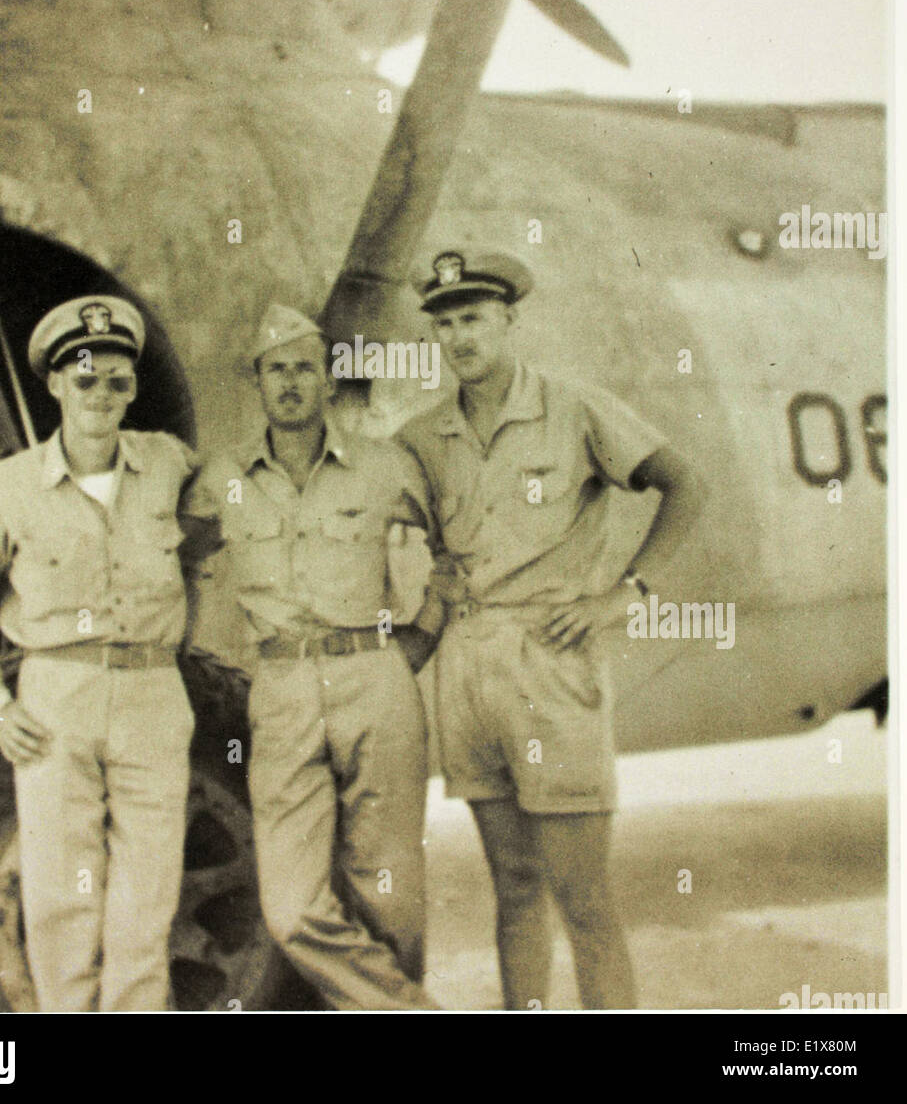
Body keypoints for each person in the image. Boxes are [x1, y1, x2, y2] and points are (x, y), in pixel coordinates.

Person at [397, 249, 706, 1010]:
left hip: (549, 667)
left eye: (472, 318)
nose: (459, 336)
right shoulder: (422, 435)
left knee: (584, 896)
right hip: (467, 671)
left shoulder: (573, 407)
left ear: (508, 320)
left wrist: (625, 592)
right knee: (513, 889)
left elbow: (684, 484)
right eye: (444, 324)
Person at [0, 295, 197, 1012]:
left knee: (147, 892)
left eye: (115, 381)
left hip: (152, 694)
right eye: (84, 380)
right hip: (55, 701)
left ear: (133, 388)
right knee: (59, 896)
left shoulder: (170, 467)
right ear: (54, 386)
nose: (100, 396)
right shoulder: (6, 489)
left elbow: (214, 541)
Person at [182, 304, 441, 1010]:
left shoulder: (383, 466)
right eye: (276, 370)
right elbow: (180, 555)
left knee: (387, 889)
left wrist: (423, 631)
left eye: (304, 367)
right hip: (283, 688)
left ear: (326, 379)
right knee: (292, 908)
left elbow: (459, 543)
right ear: (257, 383)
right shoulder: (224, 479)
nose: (291, 382)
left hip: (374, 677)